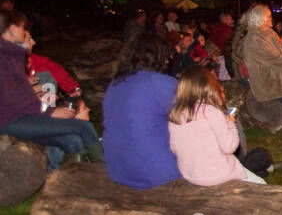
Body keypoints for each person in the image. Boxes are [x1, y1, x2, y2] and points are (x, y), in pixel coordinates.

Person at [0, 10, 101, 168]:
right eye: (23, 28)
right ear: (12, 29)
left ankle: (67, 183)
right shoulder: (4, 57)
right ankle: (108, 173)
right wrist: (49, 113)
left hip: (20, 117)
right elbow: (10, 99)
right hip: (9, 121)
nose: (26, 32)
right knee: (83, 127)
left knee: (72, 140)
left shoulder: (11, 55)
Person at [101, 34, 182, 189]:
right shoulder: (160, 83)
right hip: (156, 172)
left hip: (118, 168)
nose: (168, 60)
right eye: (166, 56)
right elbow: (195, 117)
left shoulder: (115, 83)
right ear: (157, 56)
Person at [168, 66, 267, 185]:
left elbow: (174, 148)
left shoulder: (176, 114)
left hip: (190, 175)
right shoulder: (211, 112)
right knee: (261, 184)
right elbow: (230, 146)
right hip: (218, 175)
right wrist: (230, 123)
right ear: (209, 87)